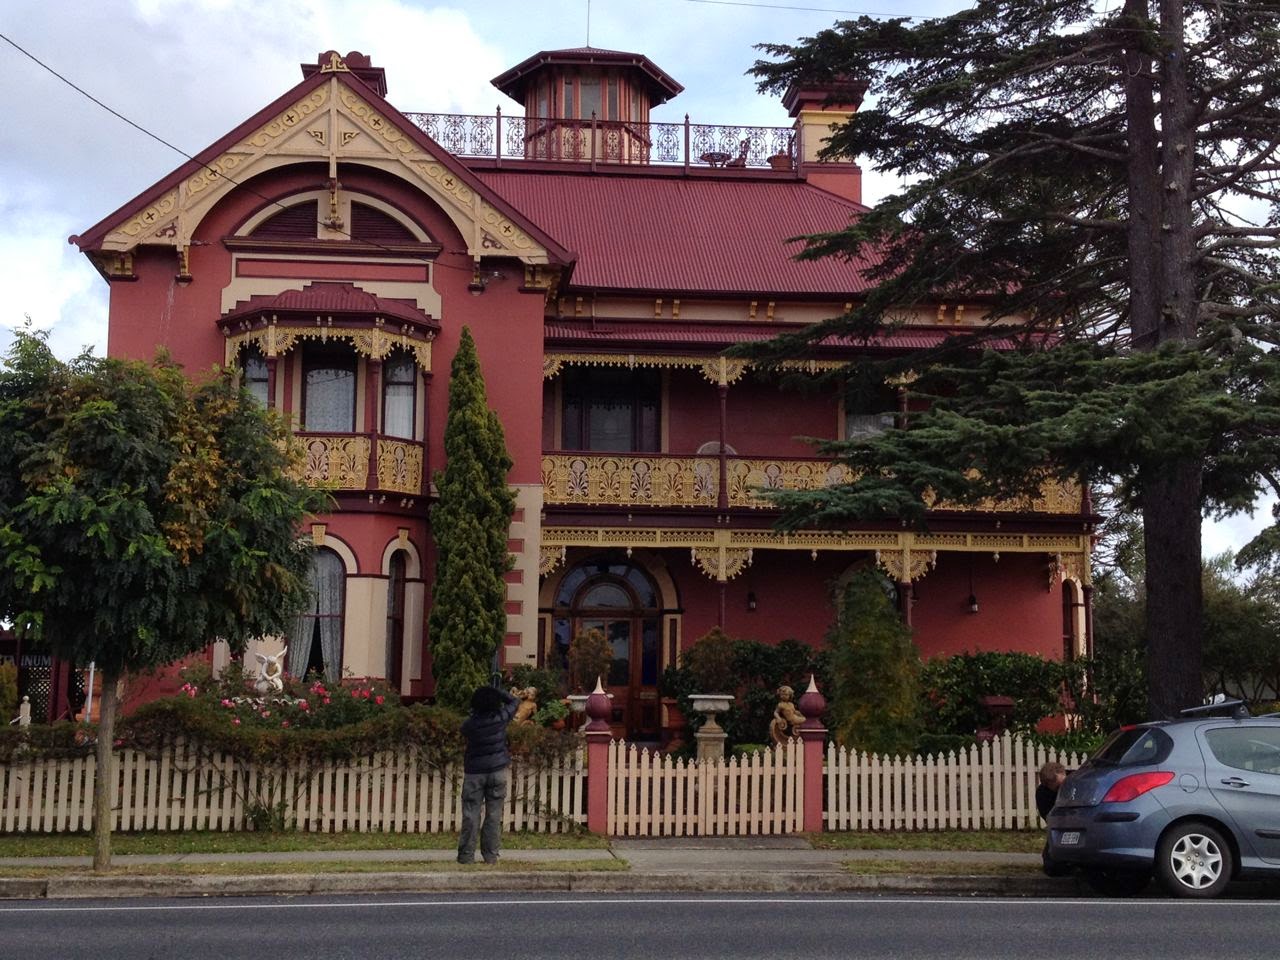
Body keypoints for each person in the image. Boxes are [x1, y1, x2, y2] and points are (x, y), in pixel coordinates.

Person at [457, 684, 520, 866]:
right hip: (497, 771)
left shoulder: (470, 725)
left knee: (471, 814)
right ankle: (491, 855)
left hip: (475, 772)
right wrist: (498, 691)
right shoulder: (501, 718)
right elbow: (515, 701)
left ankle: (466, 856)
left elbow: (464, 729)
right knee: (493, 815)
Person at [1037, 761, 1071, 877]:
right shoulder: (1043, 794)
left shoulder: (1077, 781)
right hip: (1061, 826)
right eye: (1056, 787)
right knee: (1052, 866)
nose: (1060, 789)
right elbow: (1048, 817)